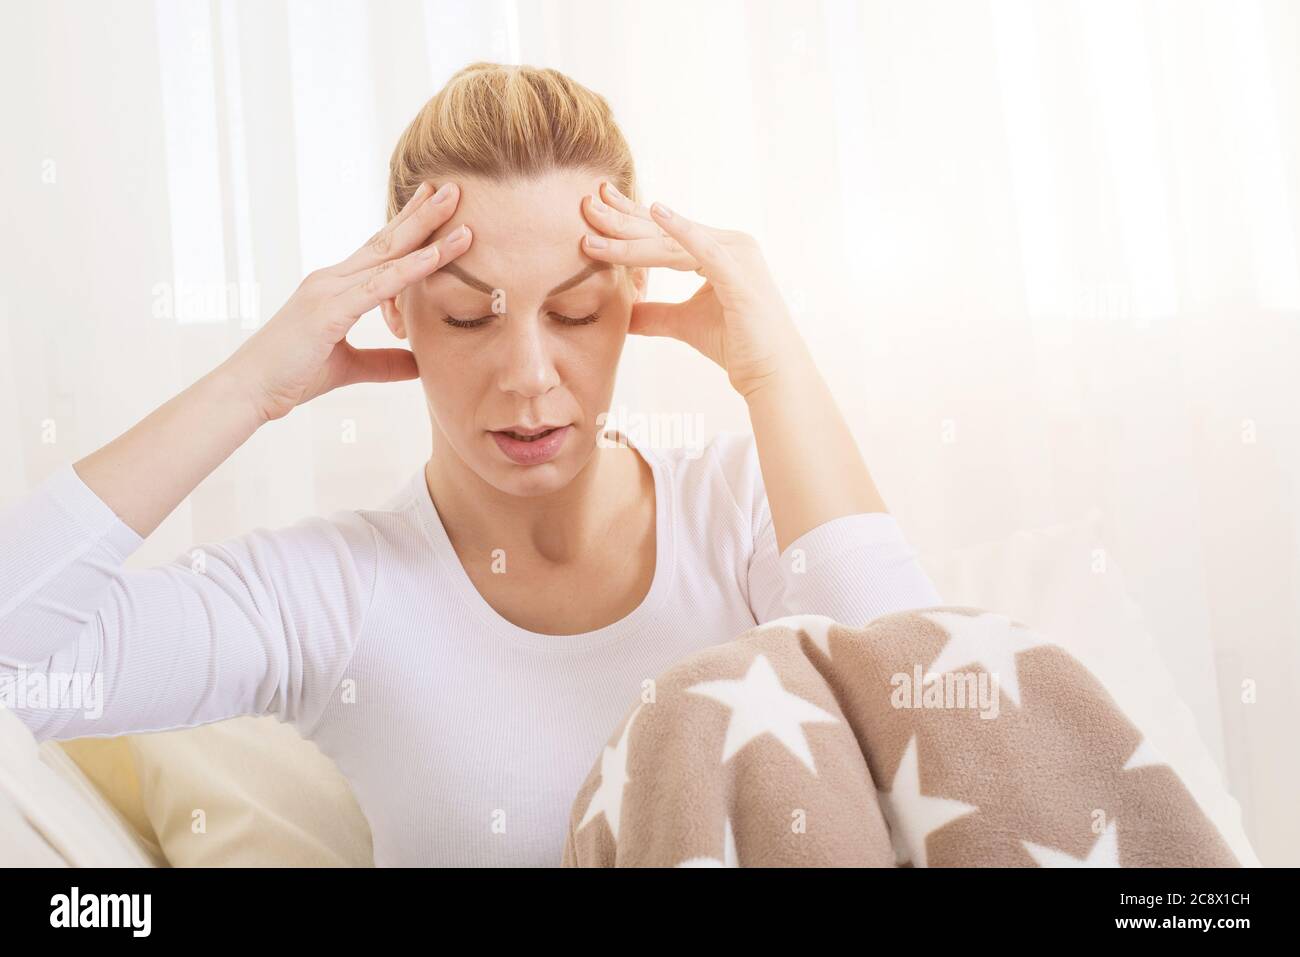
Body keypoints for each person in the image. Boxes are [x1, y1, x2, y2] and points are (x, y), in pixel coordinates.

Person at [0, 62, 940, 866]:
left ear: (634, 293)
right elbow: (13, 665)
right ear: (395, 309)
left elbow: (933, 744)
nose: (530, 378)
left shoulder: (745, 506)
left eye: (574, 312)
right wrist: (249, 387)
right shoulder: (336, 594)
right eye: (466, 315)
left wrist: (774, 365)